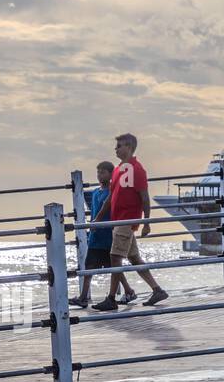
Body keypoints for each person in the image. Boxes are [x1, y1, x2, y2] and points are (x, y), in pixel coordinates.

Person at [93, 133, 167, 310]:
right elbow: (111, 197)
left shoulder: (137, 169)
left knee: (115, 257)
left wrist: (147, 222)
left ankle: (111, 298)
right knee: (134, 258)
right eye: (116, 146)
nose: (116, 149)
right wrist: (98, 218)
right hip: (118, 220)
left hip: (127, 219)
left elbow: (144, 197)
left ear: (129, 147)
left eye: (119, 146)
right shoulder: (118, 169)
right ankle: (157, 290)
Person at [72, 161, 133, 308]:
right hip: (95, 235)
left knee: (112, 265)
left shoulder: (112, 192)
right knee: (90, 265)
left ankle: (128, 290)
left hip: (108, 234)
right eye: (98, 172)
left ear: (111, 174)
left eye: (103, 172)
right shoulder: (96, 192)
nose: (99, 175)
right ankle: (84, 297)